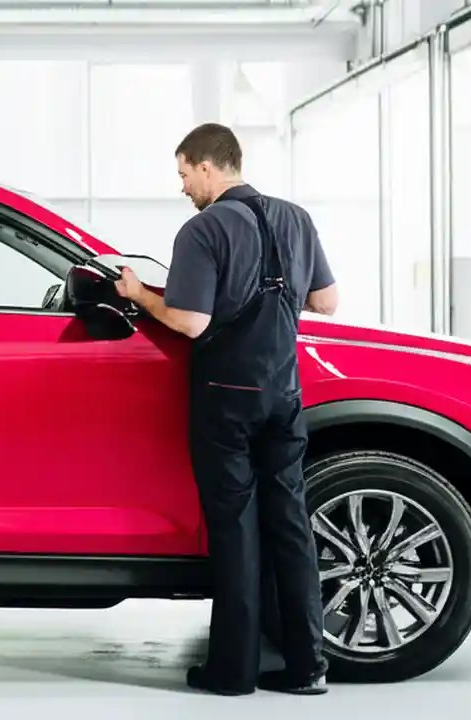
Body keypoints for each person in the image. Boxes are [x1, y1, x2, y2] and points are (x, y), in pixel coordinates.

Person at [114, 123, 339, 696]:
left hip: (226, 399)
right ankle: (307, 667)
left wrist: (140, 294)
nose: (183, 186)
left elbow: (191, 321)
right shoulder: (295, 217)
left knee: (236, 528)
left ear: (208, 167)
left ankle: (233, 673)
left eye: (185, 173)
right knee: (290, 523)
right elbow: (326, 301)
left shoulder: (203, 229)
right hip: (283, 395)